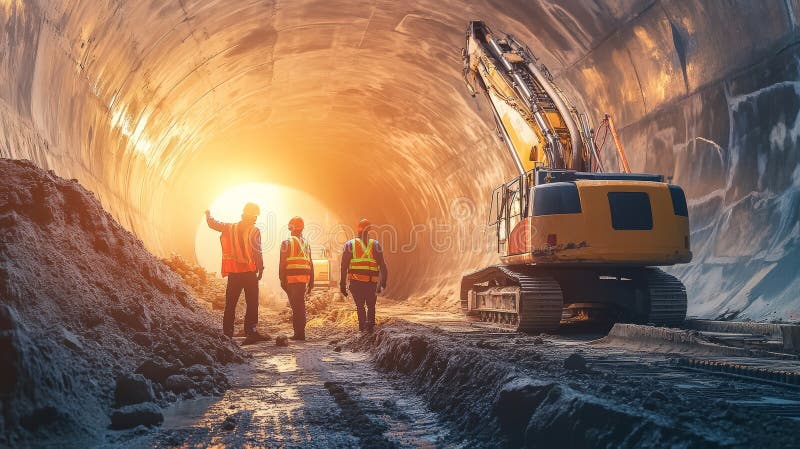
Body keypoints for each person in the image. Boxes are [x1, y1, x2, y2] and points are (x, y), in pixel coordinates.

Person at [205, 203, 269, 345]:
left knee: (230, 304)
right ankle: (251, 332)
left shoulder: (230, 228)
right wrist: (261, 268)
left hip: (234, 274)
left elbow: (213, 224)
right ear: (252, 216)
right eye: (255, 217)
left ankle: (227, 334)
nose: (255, 220)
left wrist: (208, 215)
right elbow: (257, 251)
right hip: (249, 273)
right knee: (252, 303)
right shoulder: (254, 231)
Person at [340, 219, 388, 333]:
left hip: (356, 283)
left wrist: (342, 284)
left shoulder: (350, 244)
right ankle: (370, 329)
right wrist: (383, 282)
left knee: (360, 307)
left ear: (358, 229)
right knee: (371, 306)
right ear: (370, 229)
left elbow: (344, 266)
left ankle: (362, 329)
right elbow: (383, 266)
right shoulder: (375, 245)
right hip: (372, 283)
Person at [278, 216, 314, 341]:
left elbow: (282, 263)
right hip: (304, 279)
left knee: (296, 306)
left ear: (291, 227)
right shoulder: (306, 243)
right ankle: (300, 332)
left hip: (292, 279)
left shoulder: (287, 242)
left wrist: (282, 279)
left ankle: (299, 334)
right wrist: (311, 281)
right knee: (300, 305)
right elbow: (311, 263)